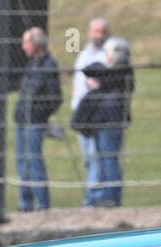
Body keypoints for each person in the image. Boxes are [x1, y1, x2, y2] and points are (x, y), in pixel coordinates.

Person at [77, 36, 134, 208]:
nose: (107, 57)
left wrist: (99, 83)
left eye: (109, 53)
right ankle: (101, 196)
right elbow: (89, 70)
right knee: (101, 160)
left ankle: (112, 197)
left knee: (109, 160)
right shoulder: (111, 72)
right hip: (102, 121)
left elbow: (102, 78)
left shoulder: (122, 72)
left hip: (111, 123)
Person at [14, 26, 61, 212]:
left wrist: (41, 114)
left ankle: (42, 203)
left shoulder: (49, 65)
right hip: (22, 120)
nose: (23, 47)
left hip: (35, 122)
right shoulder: (30, 64)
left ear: (35, 44)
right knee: (21, 162)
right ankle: (25, 203)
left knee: (34, 161)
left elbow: (55, 97)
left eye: (26, 43)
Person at [71, 17, 109, 206]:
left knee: (95, 156)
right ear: (89, 33)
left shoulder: (106, 55)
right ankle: (93, 193)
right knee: (87, 158)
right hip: (81, 113)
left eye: (102, 32)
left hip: (96, 113)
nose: (99, 36)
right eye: (96, 31)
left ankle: (93, 198)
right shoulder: (83, 55)